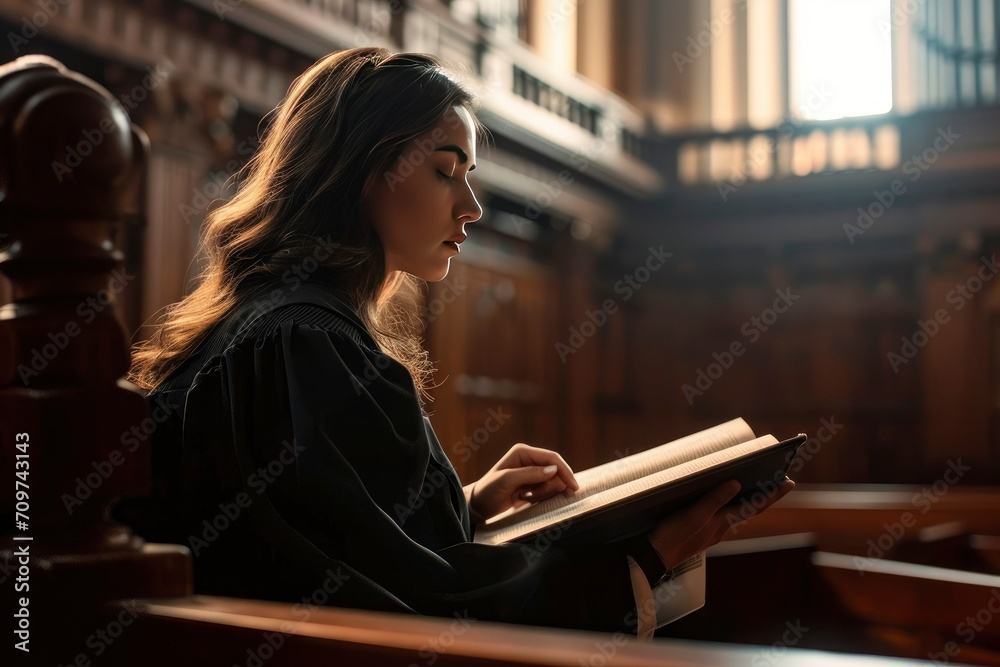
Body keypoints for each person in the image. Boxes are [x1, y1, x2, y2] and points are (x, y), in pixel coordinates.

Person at [125, 46, 793, 639]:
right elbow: (423, 608)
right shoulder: (307, 346)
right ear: (364, 170)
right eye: (446, 171)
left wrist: (466, 503)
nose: (471, 205)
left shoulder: (278, 327)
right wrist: (646, 558)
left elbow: (339, 540)